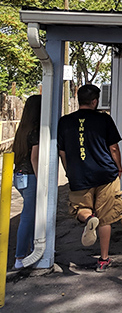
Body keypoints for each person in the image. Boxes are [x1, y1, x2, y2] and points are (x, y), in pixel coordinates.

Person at [57, 84, 122, 272]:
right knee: (106, 217)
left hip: (79, 175)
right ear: (95, 101)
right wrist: (119, 167)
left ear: (79, 100)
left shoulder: (65, 121)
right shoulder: (104, 119)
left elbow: (62, 152)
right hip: (105, 174)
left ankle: (88, 219)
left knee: (80, 209)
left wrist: (69, 171)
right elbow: (113, 148)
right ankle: (103, 259)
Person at [12, 95, 41, 270]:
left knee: (29, 215)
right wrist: (41, 180)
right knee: (28, 217)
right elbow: (35, 158)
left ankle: (31, 250)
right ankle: (20, 256)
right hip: (30, 176)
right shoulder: (36, 131)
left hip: (19, 175)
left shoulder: (21, 129)